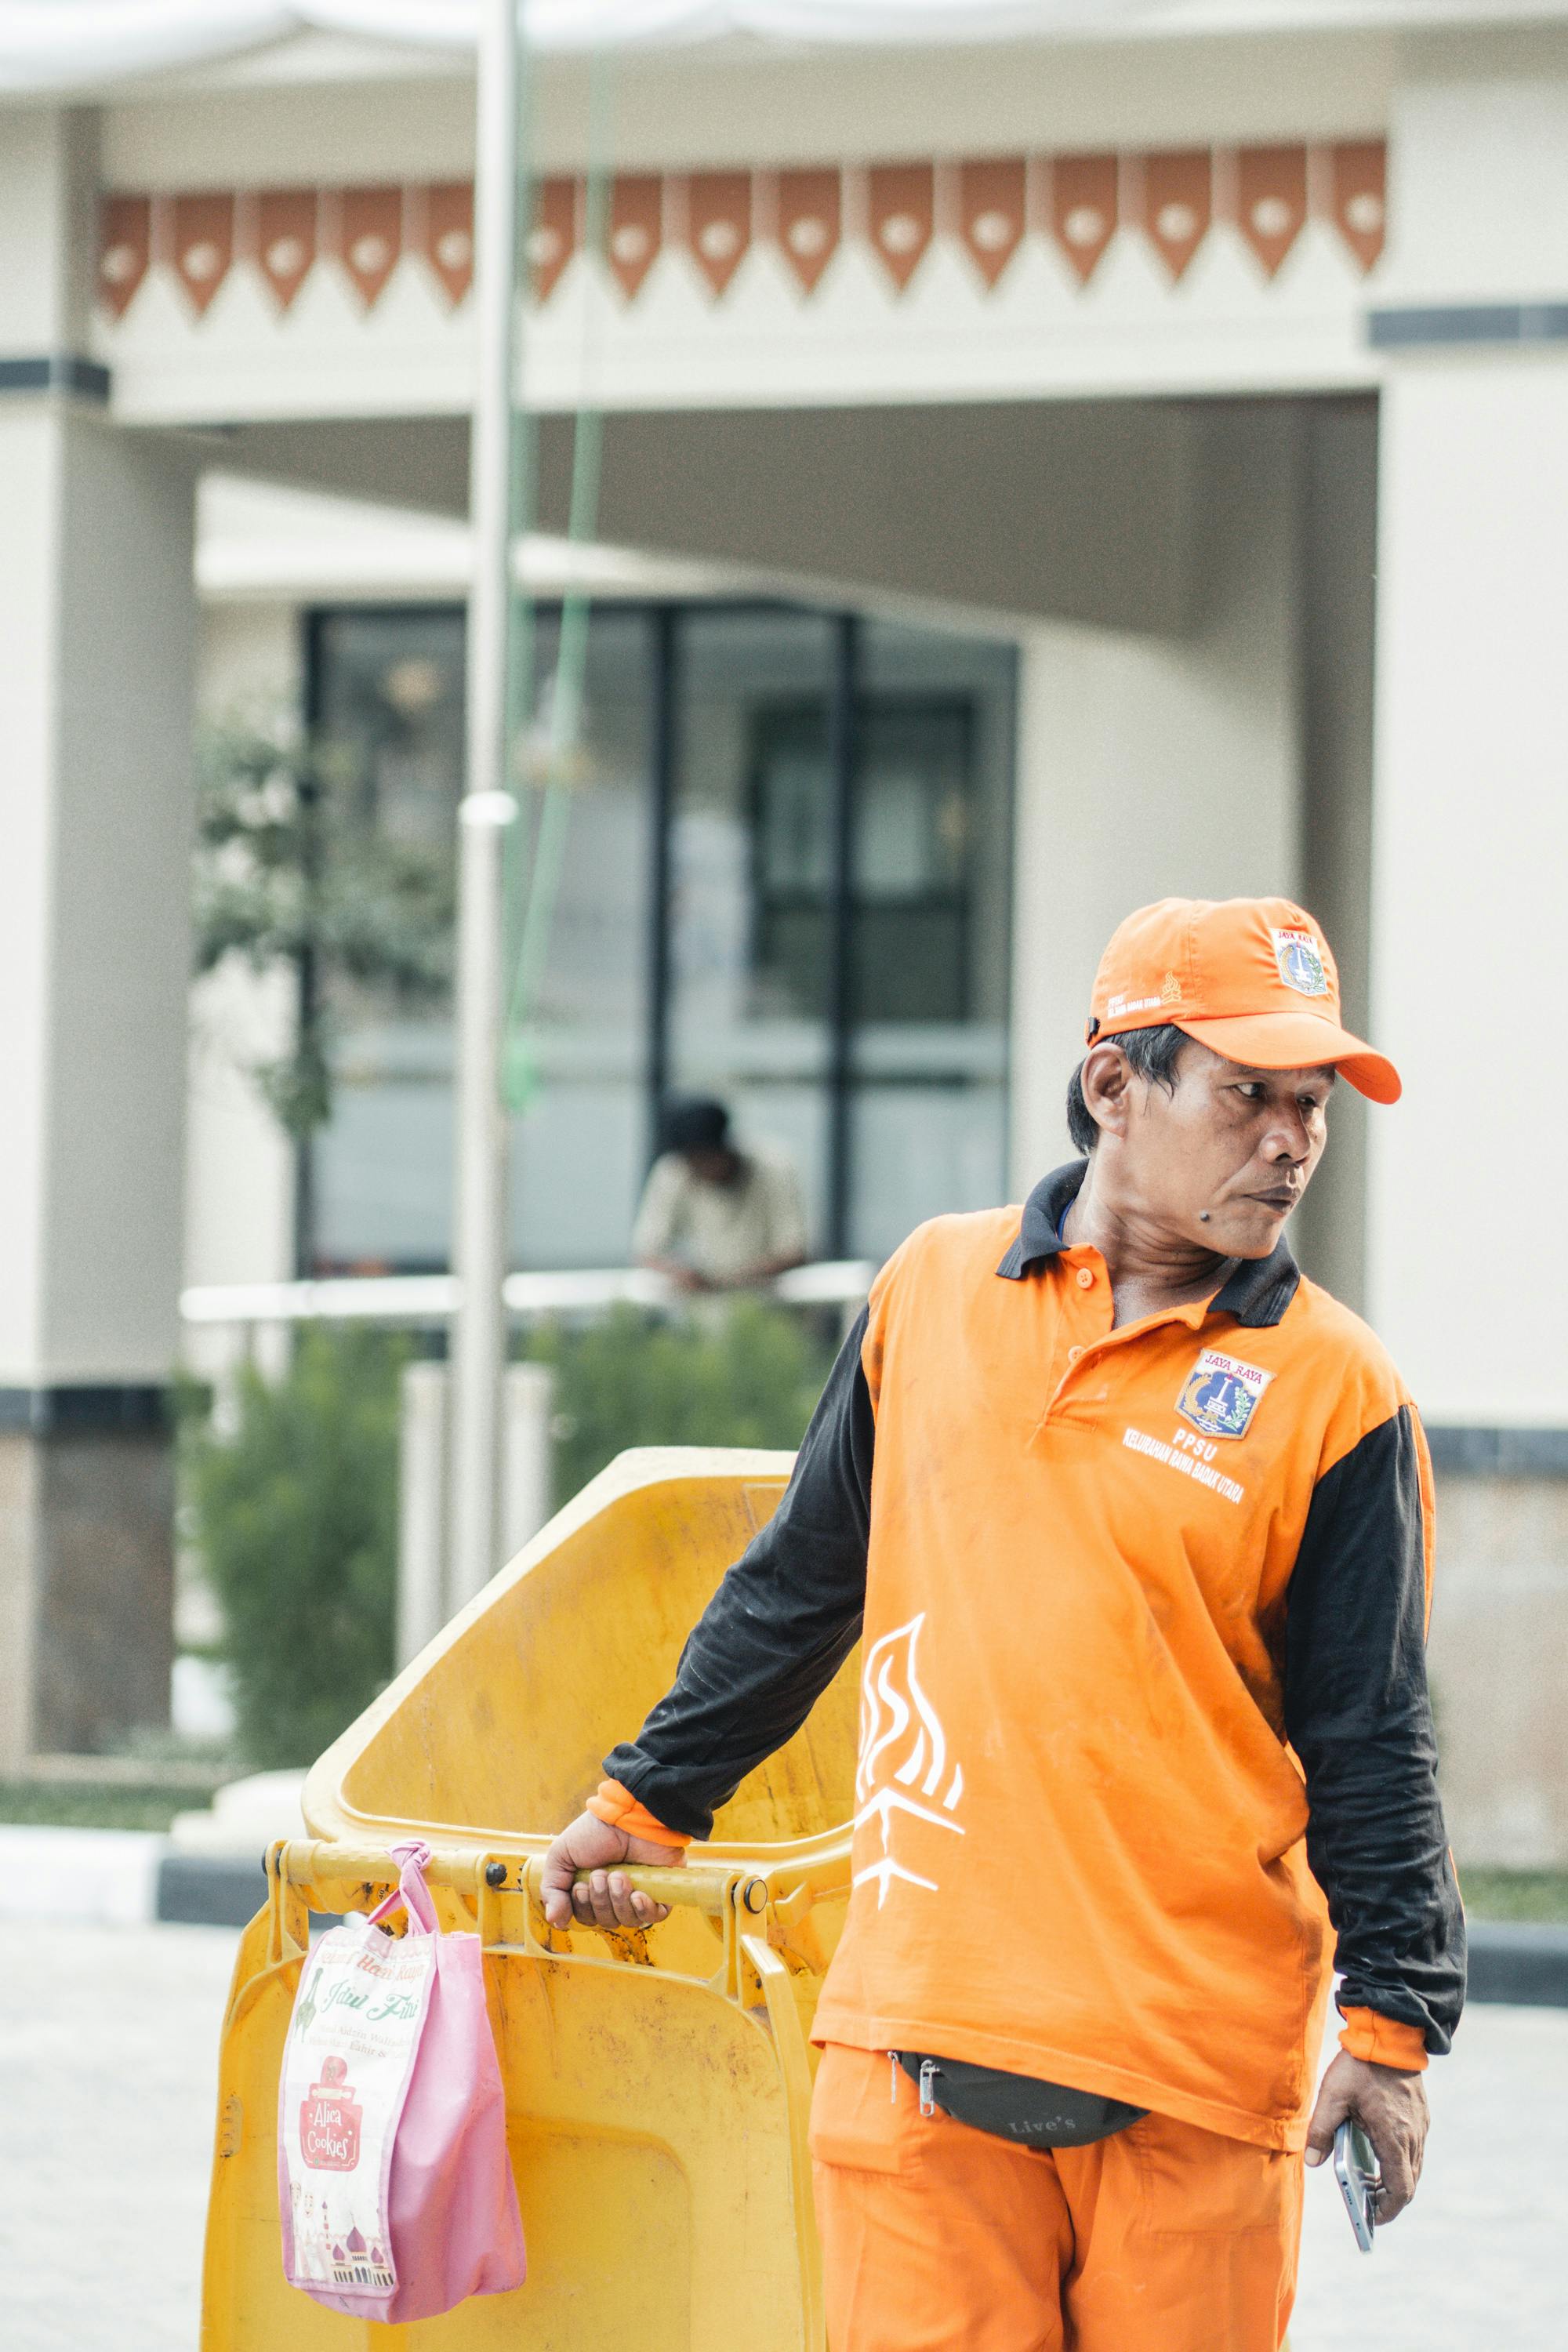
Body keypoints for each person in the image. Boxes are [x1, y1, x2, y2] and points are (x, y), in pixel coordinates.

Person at [546, 897, 1465, 2352]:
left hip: (1194, 2082)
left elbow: (1372, 1732)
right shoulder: (930, 1290)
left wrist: (1394, 2027)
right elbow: (802, 1583)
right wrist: (646, 1799)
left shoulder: (1337, 1393)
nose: (1290, 1140)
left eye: (1312, 1105)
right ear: (1116, 1084)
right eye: (1248, 1095)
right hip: (918, 2049)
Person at [631, 1094, 809, 1293]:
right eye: (693, 1161)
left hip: (772, 1306)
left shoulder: (773, 1165)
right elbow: (648, 1250)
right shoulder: (675, 1173)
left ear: (724, 1147)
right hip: (706, 1311)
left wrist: (727, 1280)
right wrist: (681, 1273)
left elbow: (796, 1250)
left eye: (705, 1158)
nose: (700, 1169)